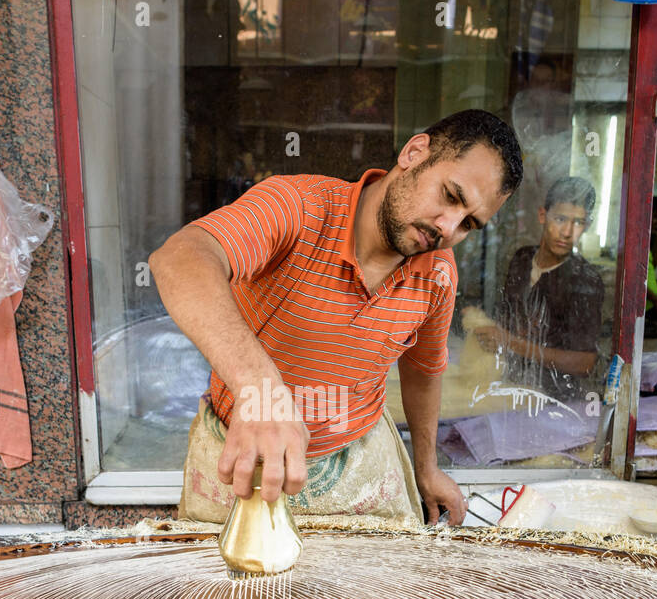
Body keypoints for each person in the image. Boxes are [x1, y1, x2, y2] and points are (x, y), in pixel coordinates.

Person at [150, 110, 522, 526]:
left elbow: (423, 369)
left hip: (361, 463)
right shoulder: (297, 208)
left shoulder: (438, 274)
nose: (448, 228)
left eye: (469, 223)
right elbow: (180, 260)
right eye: (451, 195)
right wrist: (262, 392)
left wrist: (427, 467)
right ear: (415, 153)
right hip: (243, 459)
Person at [473, 175, 604, 400]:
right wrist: (481, 323)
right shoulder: (522, 260)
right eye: (560, 218)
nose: (567, 232)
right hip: (510, 384)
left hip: (555, 398)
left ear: (587, 226)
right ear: (543, 215)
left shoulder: (585, 280)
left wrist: (511, 343)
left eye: (578, 222)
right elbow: (508, 321)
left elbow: (585, 363)